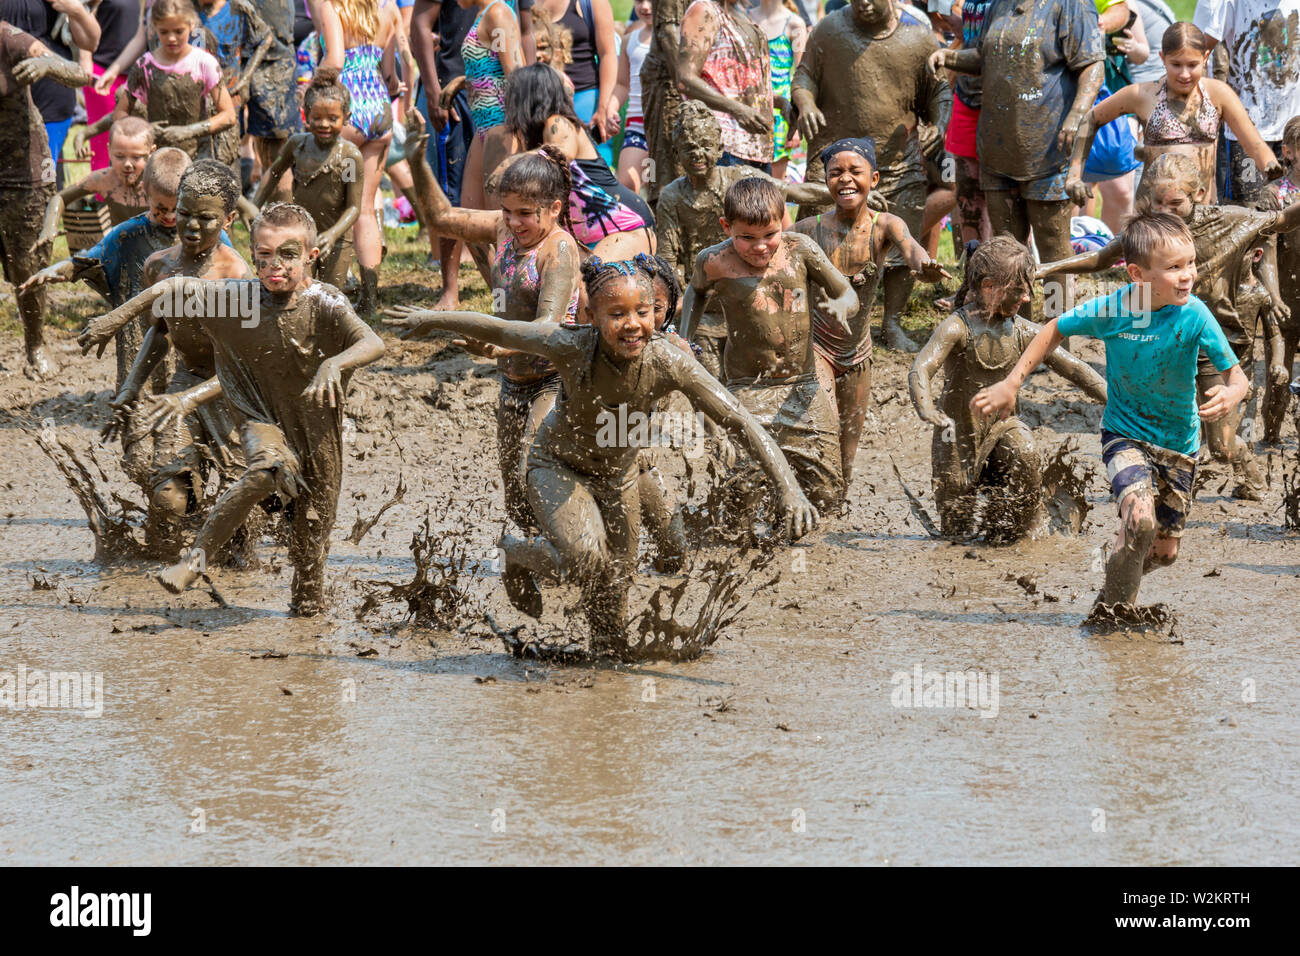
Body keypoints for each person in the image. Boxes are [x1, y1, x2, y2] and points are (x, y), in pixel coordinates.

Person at [383, 255, 818, 650]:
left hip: (620, 477)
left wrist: (790, 489)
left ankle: (605, 675)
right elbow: (499, 329)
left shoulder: (671, 361)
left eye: (643, 313)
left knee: (612, 596)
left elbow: (740, 419)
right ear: (591, 316)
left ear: (657, 314)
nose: (632, 325)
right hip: (557, 465)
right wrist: (431, 318)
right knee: (587, 557)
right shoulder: (570, 346)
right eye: (617, 314)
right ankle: (516, 550)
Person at [972, 213, 1249, 620]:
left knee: (1165, 552)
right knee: (1140, 520)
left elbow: (1238, 378)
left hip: (1179, 445)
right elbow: (1053, 328)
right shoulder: (1120, 308)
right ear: (1137, 274)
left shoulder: (1195, 315)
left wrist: (1230, 396)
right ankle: (1114, 620)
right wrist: (1012, 383)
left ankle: (1114, 580)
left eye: (1190, 263)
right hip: (1125, 434)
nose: (1188, 275)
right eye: (1174, 267)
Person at [141, 202, 386, 614]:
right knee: (264, 470)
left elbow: (374, 343)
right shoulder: (239, 299)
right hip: (262, 420)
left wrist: (334, 363)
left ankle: (306, 629)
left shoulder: (327, 301)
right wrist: (114, 320)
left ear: (311, 256)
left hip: (317, 435)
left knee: (310, 557)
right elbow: (168, 294)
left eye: (288, 255)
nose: (275, 266)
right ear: (252, 254)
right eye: (264, 256)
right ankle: (195, 561)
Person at [1040, 152, 1300, 499]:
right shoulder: (1149, 232)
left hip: (1215, 340)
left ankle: (1245, 465)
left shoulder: (1227, 221)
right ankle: (1149, 478)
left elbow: (1281, 219)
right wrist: (1047, 268)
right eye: (1158, 202)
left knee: (1220, 445)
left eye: (1175, 203)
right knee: (1157, 420)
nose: (1166, 211)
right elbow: (1103, 257)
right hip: (1163, 335)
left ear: (1199, 194)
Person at [401, 111, 583, 549]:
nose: (515, 222)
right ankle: (542, 553)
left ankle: (568, 554)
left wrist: (493, 347)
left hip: (554, 379)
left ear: (554, 209)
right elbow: (442, 219)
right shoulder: (503, 227)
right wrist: (417, 163)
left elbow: (546, 330)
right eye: (507, 211)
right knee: (516, 497)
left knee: (533, 469)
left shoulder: (558, 250)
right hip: (512, 380)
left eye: (526, 214)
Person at [76, 159, 250, 554]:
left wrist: (185, 399)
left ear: (228, 219)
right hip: (186, 381)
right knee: (168, 497)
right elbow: (159, 331)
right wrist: (131, 389)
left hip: (234, 393)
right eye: (184, 214)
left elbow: (244, 367)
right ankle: (159, 568)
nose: (190, 226)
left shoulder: (236, 277)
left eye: (205, 219)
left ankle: (238, 566)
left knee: (249, 505)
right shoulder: (158, 266)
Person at [909, 236, 1106, 540]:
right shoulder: (957, 327)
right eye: (1018, 291)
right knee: (955, 530)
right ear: (988, 287)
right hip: (956, 437)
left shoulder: (1023, 331)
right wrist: (925, 408)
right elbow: (922, 366)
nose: (1027, 299)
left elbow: (1075, 368)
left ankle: (1023, 532)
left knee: (1024, 449)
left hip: (1003, 428)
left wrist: (1116, 400)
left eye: (1028, 291)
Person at [680, 177, 857, 510]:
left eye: (769, 235)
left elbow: (845, 289)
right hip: (746, 388)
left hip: (802, 387)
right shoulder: (714, 261)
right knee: (741, 492)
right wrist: (685, 337)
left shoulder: (800, 249)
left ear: (782, 222)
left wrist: (843, 305)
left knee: (828, 492)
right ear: (726, 226)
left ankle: (807, 544)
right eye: (746, 238)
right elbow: (696, 291)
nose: (760, 247)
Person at [929, 0, 1104, 329]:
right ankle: (1016, 329)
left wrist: (1076, 115)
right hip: (998, 145)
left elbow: (1092, 68)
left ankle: (1056, 333)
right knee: (1007, 248)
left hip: (1048, 145)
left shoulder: (1070, 4)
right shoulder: (998, 4)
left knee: (1055, 252)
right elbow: (983, 57)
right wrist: (949, 57)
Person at [794, 137, 950, 486]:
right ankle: (808, 494)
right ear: (825, 182)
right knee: (824, 425)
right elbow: (770, 248)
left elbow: (909, 244)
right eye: (836, 173)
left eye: (855, 171)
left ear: (874, 179)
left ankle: (832, 514)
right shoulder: (808, 230)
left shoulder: (884, 225)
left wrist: (923, 265)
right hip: (817, 347)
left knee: (848, 453)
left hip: (859, 354)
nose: (845, 179)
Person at [794, 0, 950, 352]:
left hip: (897, 158)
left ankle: (891, 322)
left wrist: (938, 124)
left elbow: (939, 90)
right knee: (816, 233)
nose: (863, 2)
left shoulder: (918, 37)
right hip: (834, 157)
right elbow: (804, 76)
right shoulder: (829, 30)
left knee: (901, 232)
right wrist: (806, 103)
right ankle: (812, 314)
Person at [655, 100, 831, 379]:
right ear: (676, 153)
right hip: (704, 305)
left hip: (749, 299)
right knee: (712, 387)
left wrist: (847, 198)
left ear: (719, 147)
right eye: (689, 148)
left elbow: (795, 192)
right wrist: (674, 297)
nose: (698, 154)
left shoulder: (739, 180)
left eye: (705, 145)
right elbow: (666, 255)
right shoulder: (672, 196)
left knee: (756, 381)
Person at [1066, 22, 1280, 208]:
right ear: (1162, 58)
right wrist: (1075, 175)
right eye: (1176, 65)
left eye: (1192, 65)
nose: (1185, 74)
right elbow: (1090, 119)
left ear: (1205, 58)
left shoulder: (1217, 94)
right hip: (1154, 212)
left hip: (1202, 210)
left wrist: (1270, 170)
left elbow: (1254, 144)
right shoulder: (1143, 95)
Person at [0, 17, 96, 378]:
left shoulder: (7, 37)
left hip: (23, 166)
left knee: (27, 263)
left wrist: (47, 63)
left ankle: (35, 343)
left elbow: (79, 73)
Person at [315, 0, 414, 315]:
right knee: (365, 210)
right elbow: (390, 74)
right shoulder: (386, 10)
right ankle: (370, 299)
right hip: (379, 111)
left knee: (334, 205)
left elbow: (335, 61)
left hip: (347, 111)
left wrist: (311, 82)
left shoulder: (332, 7)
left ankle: (334, 290)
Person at [502, 63, 655, 259]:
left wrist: (507, 164)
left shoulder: (558, 123)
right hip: (595, 231)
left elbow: (560, 154)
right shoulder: (536, 136)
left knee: (586, 282)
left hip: (627, 223)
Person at [252, 66, 364, 288]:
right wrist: (256, 207)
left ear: (346, 118)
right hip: (301, 234)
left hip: (337, 237)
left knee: (332, 294)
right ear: (306, 115)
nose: (324, 124)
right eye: (317, 118)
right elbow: (274, 172)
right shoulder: (298, 146)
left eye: (333, 118)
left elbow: (353, 208)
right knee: (300, 288)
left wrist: (332, 235)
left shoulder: (349, 157)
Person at [1194, 0, 1300, 204]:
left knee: (1292, 211)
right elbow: (1200, 50)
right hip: (1245, 132)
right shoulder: (1233, 3)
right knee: (1247, 211)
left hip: (1292, 129)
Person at [108, 0, 238, 166]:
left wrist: (187, 131)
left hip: (198, 155)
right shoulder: (145, 65)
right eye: (163, 32)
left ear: (191, 25)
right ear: (154, 27)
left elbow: (228, 115)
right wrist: (143, 131)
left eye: (179, 31)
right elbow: (120, 113)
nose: (171, 38)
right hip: (157, 155)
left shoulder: (204, 62)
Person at [410, 0, 477, 308]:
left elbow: (527, 28)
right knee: (452, 189)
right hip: (455, 91)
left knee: (508, 188)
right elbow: (420, 25)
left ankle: (511, 281)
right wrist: (435, 92)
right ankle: (450, 288)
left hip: (501, 89)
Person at [0, 0, 102, 187]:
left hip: (49, 93)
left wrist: (75, 9)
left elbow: (91, 42)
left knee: (40, 182)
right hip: (6, 99)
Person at [677, 0, 773, 172]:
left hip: (757, 147)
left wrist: (782, 103)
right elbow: (685, 79)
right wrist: (736, 109)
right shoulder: (703, 11)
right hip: (723, 145)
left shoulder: (741, 10)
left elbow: (741, 84)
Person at [35, 117, 154, 254]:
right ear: (109, 150)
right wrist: (49, 227)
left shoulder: (158, 182)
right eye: (120, 156)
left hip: (157, 252)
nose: (127, 164)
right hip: (122, 251)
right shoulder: (104, 180)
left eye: (136, 157)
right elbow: (60, 198)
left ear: (151, 152)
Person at [1260, 114, 1300, 444]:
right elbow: (1267, 251)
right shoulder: (1276, 197)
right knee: (1278, 376)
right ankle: (1271, 438)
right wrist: (1273, 296)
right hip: (1285, 300)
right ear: (1288, 152)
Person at [940, 0, 992, 246]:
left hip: (1007, 99)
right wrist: (942, 9)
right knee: (966, 192)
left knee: (1006, 193)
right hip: (967, 94)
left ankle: (1013, 268)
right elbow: (967, 32)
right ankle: (975, 269)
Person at [535, 0, 618, 149]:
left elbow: (608, 54)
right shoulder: (520, 4)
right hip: (537, 100)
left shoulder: (591, 3)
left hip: (585, 98)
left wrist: (603, 108)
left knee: (591, 165)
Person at [83, 0, 141, 172]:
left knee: (138, 139)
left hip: (141, 74)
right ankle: (102, 196)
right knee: (106, 139)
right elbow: (84, 11)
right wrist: (84, 58)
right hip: (104, 71)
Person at [639, 0, 685, 203]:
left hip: (686, 80)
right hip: (668, 83)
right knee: (666, 169)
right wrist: (688, 87)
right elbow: (669, 34)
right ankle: (664, 227)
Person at [755, 0, 805, 183]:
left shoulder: (795, 24)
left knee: (776, 183)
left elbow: (802, 75)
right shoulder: (746, 19)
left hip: (782, 111)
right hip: (751, 104)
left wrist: (797, 125)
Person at [614, 0, 651, 192]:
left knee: (659, 188)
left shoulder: (680, 39)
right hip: (637, 127)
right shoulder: (630, 40)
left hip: (668, 130)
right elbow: (622, 84)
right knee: (627, 185)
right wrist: (611, 109)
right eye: (639, 0)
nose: (645, 6)